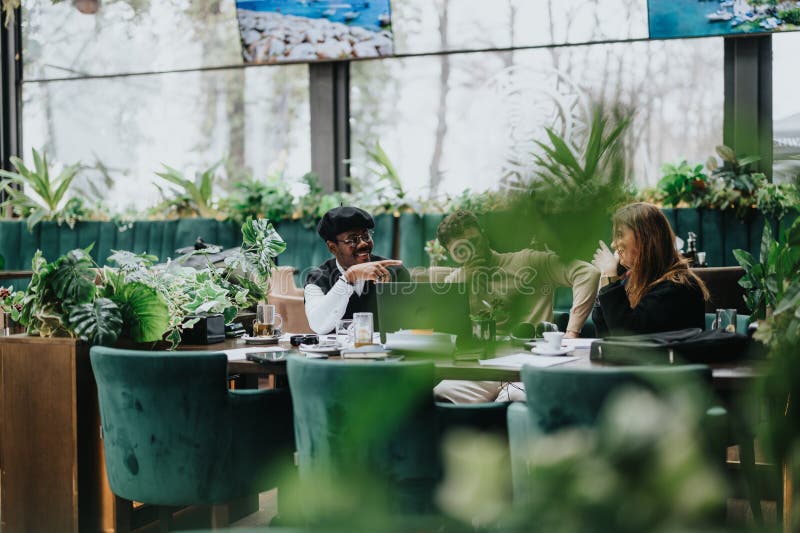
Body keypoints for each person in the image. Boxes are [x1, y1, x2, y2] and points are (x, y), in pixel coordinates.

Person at [433, 210, 600, 403]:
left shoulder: (527, 262)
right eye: (462, 249)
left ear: (484, 235)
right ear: (450, 253)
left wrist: (571, 333)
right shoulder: (455, 282)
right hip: (482, 368)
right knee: (441, 395)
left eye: (475, 240)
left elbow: (587, 273)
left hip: (529, 365)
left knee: (516, 399)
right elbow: (442, 335)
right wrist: (464, 281)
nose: (473, 250)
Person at [591, 202, 709, 337]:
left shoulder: (677, 286)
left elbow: (627, 338)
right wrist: (606, 279)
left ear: (644, 239)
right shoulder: (632, 281)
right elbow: (604, 334)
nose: (613, 244)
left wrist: (611, 280)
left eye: (619, 235)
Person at [304, 206, 409, 334]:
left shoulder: (395, 272)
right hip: (336, 354)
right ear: (332, 247)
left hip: (387, 353)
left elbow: (414, 323)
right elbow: (318, 325)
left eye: (366, 236)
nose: (363, 244)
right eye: (353, 240)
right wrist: (349, 277)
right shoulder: (317, 279)